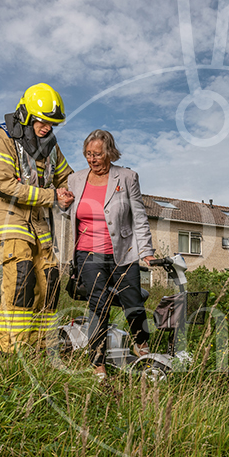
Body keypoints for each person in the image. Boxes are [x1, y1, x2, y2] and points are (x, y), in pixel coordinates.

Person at [0, 83, 75, 355]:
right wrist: (52, 196)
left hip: (40, 226)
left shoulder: (50, 146)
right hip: (11, 222)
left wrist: (84, 188)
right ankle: (13, 353)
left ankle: (42, 349)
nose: (47, 127)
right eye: (42, 121)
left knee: (50, 283)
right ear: (25, 114)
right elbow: (5, 185)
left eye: (51, 123)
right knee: (21, 283)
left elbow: (66, 179)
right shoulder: (2, 139)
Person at [66, 129, 155, 379]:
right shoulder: (76, 179)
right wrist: (61, 205)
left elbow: (139, 217)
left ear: (110, 153)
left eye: (98, 154)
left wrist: (146, 250)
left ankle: (141, 345)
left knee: (134, 302)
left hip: (123, 252)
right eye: (88, 154)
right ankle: (98, 362)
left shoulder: (127, 177)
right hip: (88, 252)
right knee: (99, 305)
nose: (92, 159)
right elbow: (70, 213)